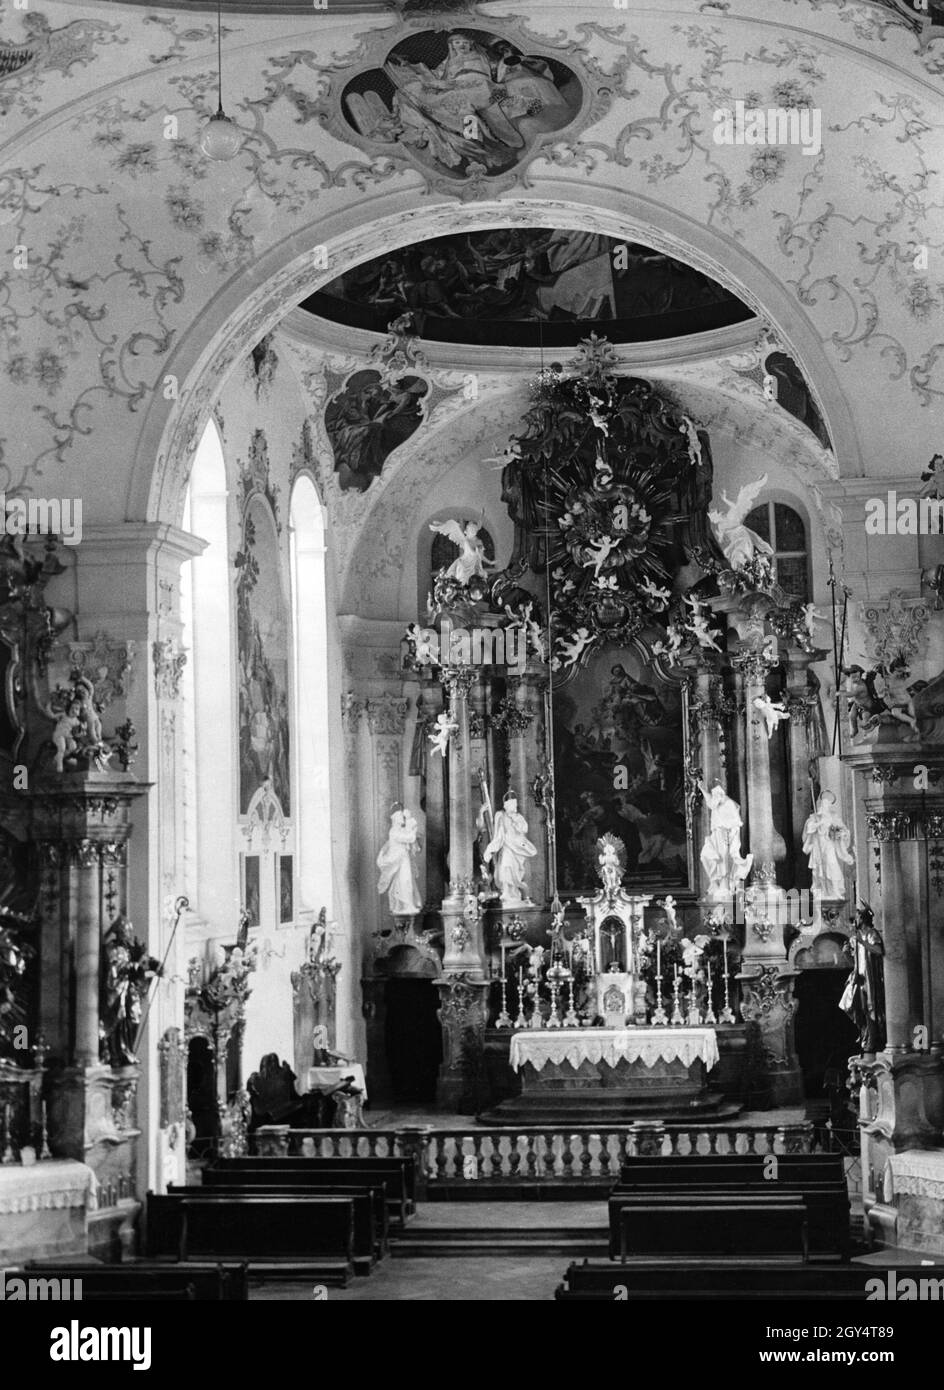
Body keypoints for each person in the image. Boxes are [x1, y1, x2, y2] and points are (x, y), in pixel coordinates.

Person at [697, 779, 753, 900]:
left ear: (721, 793)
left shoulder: (728, 804)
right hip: (720, 835)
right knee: (710, 857)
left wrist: (730, 834)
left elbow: (735, 825)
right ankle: (720, 885)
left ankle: (725, 886)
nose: (714, 797)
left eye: (715, 794)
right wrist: (703, 790)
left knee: (723, 861)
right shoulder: (718, 804)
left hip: (726, 837)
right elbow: (711, 803)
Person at [483, 791, 538, 904]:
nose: (514, 807)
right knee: (505, 867)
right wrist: (490, 850)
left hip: (518, 848)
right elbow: (498, 836)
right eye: (512, 804)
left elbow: (524, 829)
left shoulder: (518, 817)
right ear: (507, 805)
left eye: (515, 804)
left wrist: (516, 822)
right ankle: (507, 893)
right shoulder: (501, 816)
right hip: (507, 847)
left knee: (516, 872)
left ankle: (514, 893)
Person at [802, 790, 854, 899]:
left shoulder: (833, 818)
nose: (825, 806)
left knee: (832, 866)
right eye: (823, 803)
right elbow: (809, 828)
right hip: (818, 847)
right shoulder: (814, 817)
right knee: (819, 870)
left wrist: (840, 834)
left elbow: (843, 831)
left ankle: (835, 891)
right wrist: (818, 823)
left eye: (828, 803)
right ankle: (822, 892)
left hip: (829, 846)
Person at [376, 807, 423, 918]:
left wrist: (410, 822)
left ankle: (406, 905)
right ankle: (404, 905)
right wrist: (413, 827)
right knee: (404, 881)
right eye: (401, 817)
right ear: (396, 819)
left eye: (402, 817)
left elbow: (412, 841)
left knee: (406, 881)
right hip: (400, 860)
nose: (402, 818)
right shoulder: (394, 832)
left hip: (404, 859)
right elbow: (410, 838)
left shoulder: (400, 830)